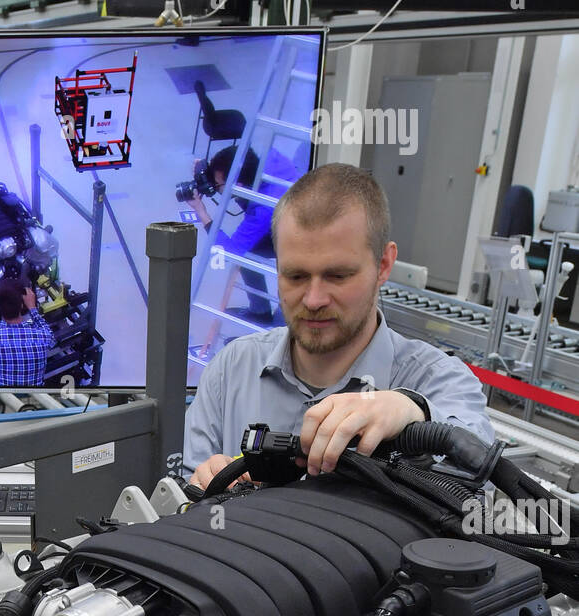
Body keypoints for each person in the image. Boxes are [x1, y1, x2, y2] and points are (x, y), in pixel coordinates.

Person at [186, 163, 495, 487]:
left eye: (337, 276)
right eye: (296, 276)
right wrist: (202, 487)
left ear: (384, 265)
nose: (314, 299)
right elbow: (178, 500)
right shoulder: (229, 371)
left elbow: (480, 469)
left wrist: (414, 413)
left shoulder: (436, 380)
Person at [186, 141, 299, 324]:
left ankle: (274, 336)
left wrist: (202, 212)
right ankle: (260, 311)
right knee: (249, 252)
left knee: (284, 319)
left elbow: (228, 253)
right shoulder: (270, 158)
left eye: (217, 184)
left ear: (238, 184)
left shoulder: (263, 209)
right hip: (290, 220)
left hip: (297, 246)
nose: (215, 188)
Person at [0, 281, 55, 388]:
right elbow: (51, 339)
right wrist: (33, 308)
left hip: (5, 399)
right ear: (22, 305)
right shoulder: (43, 337)